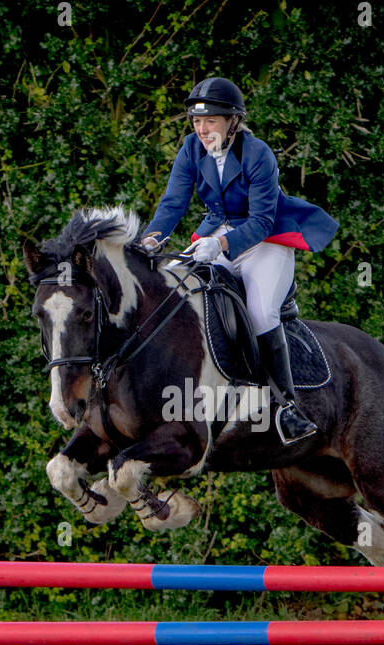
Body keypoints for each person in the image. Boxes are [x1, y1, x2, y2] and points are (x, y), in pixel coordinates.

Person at [140, 77, 339, 445]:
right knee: (171, 287)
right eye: (196, 121)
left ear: (232, 120)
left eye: (210, 120)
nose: (201, 128)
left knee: (262, 313)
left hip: (265, 240)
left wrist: (222, 246)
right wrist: (154, 236)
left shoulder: (258, 153)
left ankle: (287, 407)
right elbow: (174, 202)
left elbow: (262, 220)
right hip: (215, 234)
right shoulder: (190, 149)